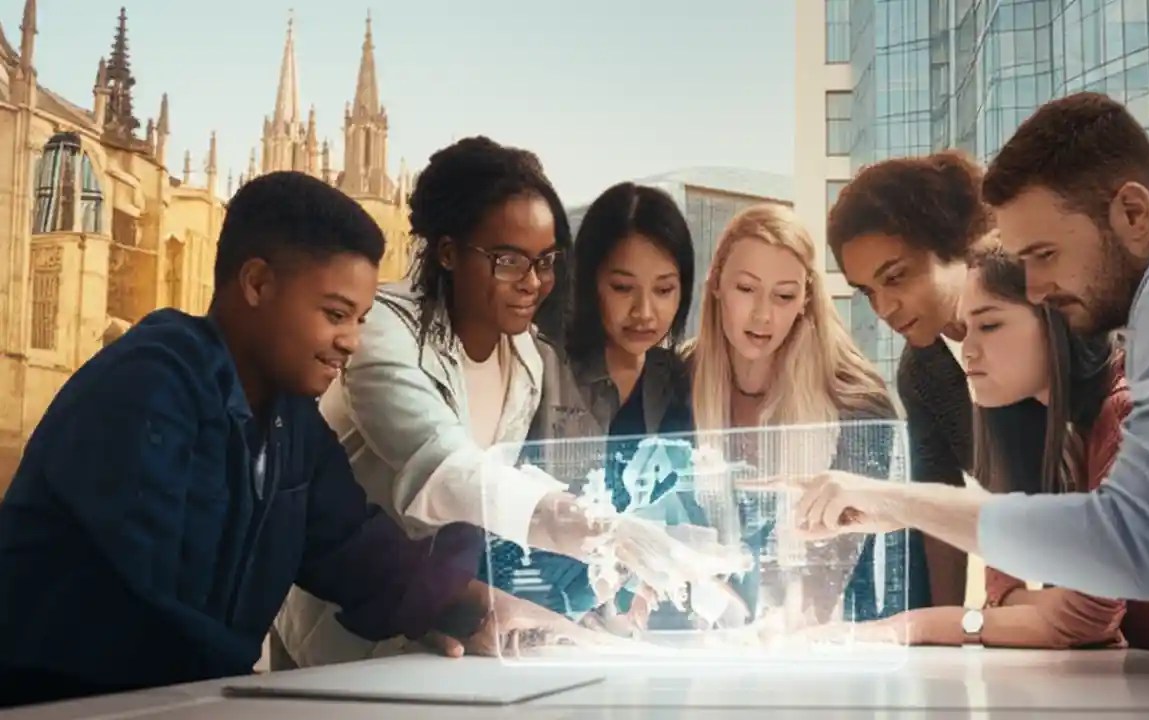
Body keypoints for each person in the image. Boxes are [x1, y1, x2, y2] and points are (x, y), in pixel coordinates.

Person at [0, 172, 558, 707]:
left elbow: (353, 549)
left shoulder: (292, 423)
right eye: (335, 313)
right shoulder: (148, 384)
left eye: (361, 319)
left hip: (183, 703)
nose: (351, 342)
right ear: (258, 283)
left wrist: (479, 613)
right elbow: (148, 607)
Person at [788, 92, 1149, 651]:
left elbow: (1131, 549)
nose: (1038, 288)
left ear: (1134, 214)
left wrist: (892, 504)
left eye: (1045, 256)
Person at [275, 139, 741, 668]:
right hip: (336, 637)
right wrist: (580, 523)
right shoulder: (381, 329)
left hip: (439, 626)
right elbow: (442, 467)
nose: (533, 282)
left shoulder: (525, 358)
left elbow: (488, 509)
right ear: (448, 251)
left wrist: (603, 567)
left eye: (544, 262)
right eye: (508, 260)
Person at [807, 244, 1149, 665]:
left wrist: (909, 626)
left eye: (989, 325)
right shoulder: (1048, 435)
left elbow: (1082, 618)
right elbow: (1006, 591)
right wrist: (1023, 611)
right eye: (966, 329)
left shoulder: (1133, 412)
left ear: (1055, 323)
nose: (968, 350)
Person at [826, 150, 1041, 608]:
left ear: (954, 245)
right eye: (868, 292)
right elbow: (937, 509)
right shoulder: (921, 373)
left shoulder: (1040, 308)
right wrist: (941, 634)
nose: (884, 308)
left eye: (897, 277)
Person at [684, 204, 899, 626]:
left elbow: (838, 559)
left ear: (805, 300)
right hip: (696, 639)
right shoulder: (673, 383)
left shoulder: (854, 400)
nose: (763, 315)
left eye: (783, 296)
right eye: (746, 289)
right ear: (715, 284)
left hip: (824, 640)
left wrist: (783, 630)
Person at [494, 181, 697, 619]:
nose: (645, 311)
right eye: (623, 288)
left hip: (626, 617)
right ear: (589, 282)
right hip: (521, 606)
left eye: (664, 290)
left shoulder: (675, 381)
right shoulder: (542, 364)